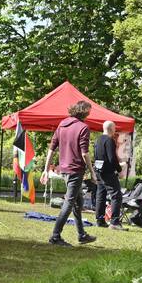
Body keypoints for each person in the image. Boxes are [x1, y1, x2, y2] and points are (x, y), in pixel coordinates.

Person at [47, 100, 97, 246]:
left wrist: (45, 169)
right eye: (89, 110)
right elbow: (85, 153)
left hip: (64, 169)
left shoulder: (62, 124)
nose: (89, 113)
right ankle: (55, 236)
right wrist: (92, 172)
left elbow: (52, 148)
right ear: (84, 111)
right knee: (69, 203)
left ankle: (82, 235)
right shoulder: (83, 128)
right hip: (75, 170)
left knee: (78, 201)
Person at [93, 120, 124, 230]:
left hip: (98, 170)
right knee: (116, 195)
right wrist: (119, 169)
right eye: (115, 128)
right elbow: (112, 158)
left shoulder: (97, 140)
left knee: (100, 194)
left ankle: (100, 220)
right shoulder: (109, 140)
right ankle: (114, 222)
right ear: (112, 129)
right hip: (108, 172)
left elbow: (96, 156)